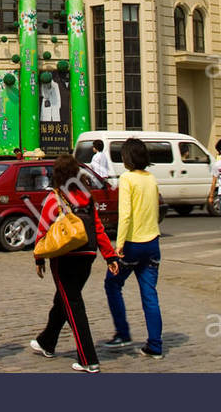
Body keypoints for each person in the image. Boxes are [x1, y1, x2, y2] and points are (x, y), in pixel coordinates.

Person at [29, 156, 121, 372]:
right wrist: (110, 256)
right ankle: (46, 342)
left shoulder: (55, 197)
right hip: (87, 255)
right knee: (64, 300)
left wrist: (39, 257)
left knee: (74, 307)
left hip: (65, 257)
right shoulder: (86, 196)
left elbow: (43, 229)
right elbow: (98, 227)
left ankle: (88, 359)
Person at [103, 138, 163, 359]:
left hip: (132, 243)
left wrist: (118, 245)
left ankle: (123, 332)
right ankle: (155, 345)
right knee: (150, 295)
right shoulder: (152, 178)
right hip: (152, 242)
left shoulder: (127, 179)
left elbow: (125, 214)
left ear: (127, 158)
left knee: (112, 284)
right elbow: (155, 211)